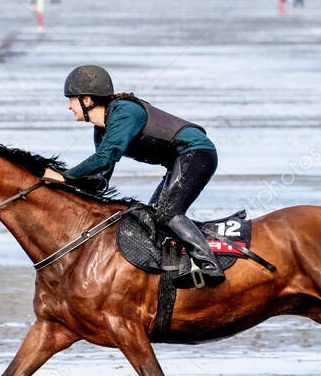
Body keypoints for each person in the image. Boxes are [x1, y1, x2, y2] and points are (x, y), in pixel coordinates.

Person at [47, 65, 225, 284]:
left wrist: (64, 176)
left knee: (167, 214)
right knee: (152, 217)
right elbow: (100, 178)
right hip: (179, 160)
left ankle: (210, 267)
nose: (68, 107)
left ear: (87, 99)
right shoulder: (102, 130)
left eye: (71, 100)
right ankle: (175, 270)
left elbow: (104, 157)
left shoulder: (124, 112)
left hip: (197, 153)